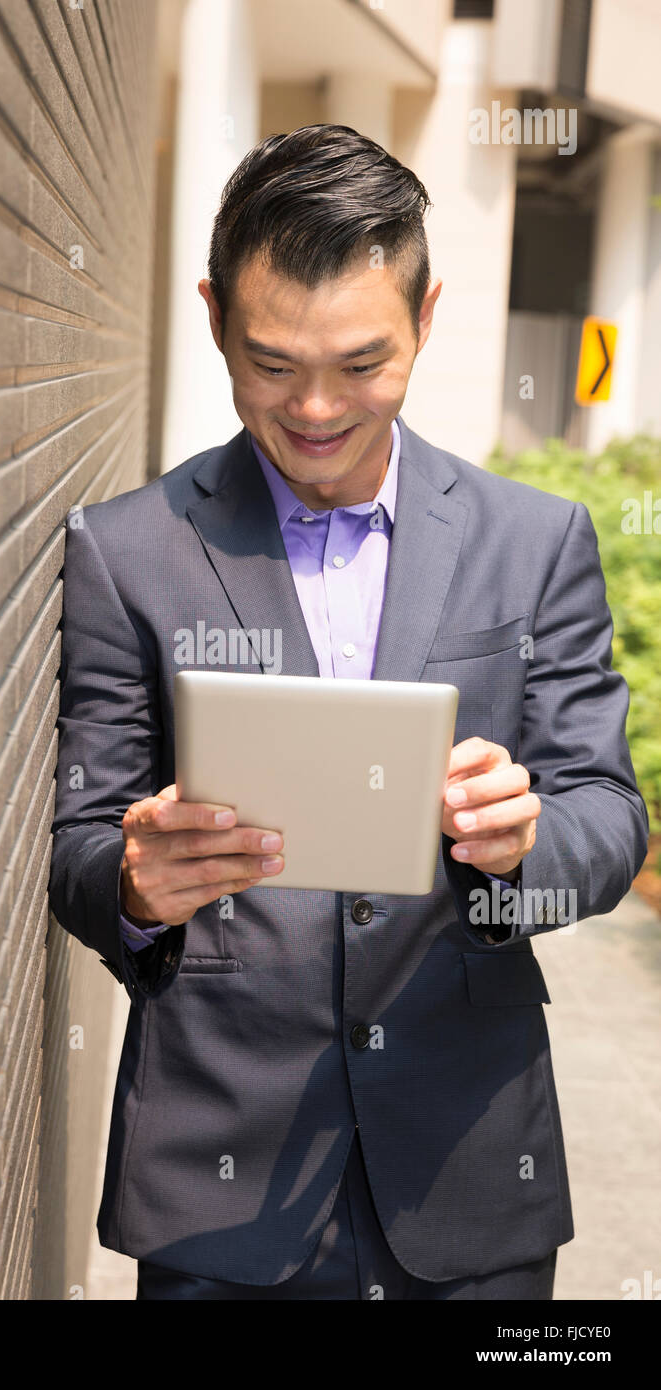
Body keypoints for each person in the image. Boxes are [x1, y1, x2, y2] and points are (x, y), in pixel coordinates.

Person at [48, 125, 648, 1300]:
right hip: (219, 1184)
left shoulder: (534, 543)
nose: (315, 408)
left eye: (361, 362)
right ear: (214, 317)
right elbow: (80, 847)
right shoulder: (125, 553)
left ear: (425, 318)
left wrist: (522, 846)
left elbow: (607, 816)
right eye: (271, 364)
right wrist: (133, 885)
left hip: (467, 1169)